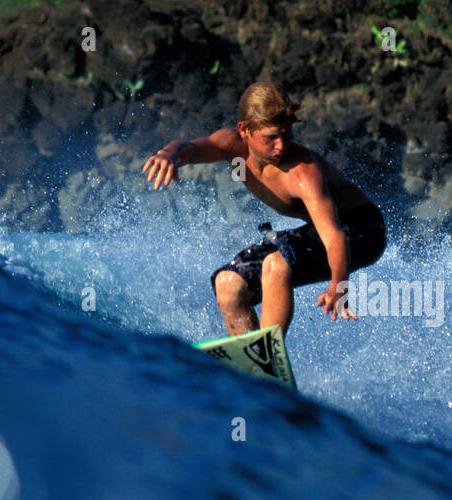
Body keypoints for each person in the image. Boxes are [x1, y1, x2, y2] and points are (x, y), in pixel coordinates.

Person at [142, 82, 386, 338]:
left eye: (286, 135)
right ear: (244, 130)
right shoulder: (232, 148)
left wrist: (339, 283)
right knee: (228, 284)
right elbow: (190, 149)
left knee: (277, 264)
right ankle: (252, 361)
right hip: (322, 229)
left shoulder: (302, 173)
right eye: (271, 138)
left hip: (363, 231)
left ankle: (268, 354)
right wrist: (169, 155)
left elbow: (333, 235)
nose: (281, 146)